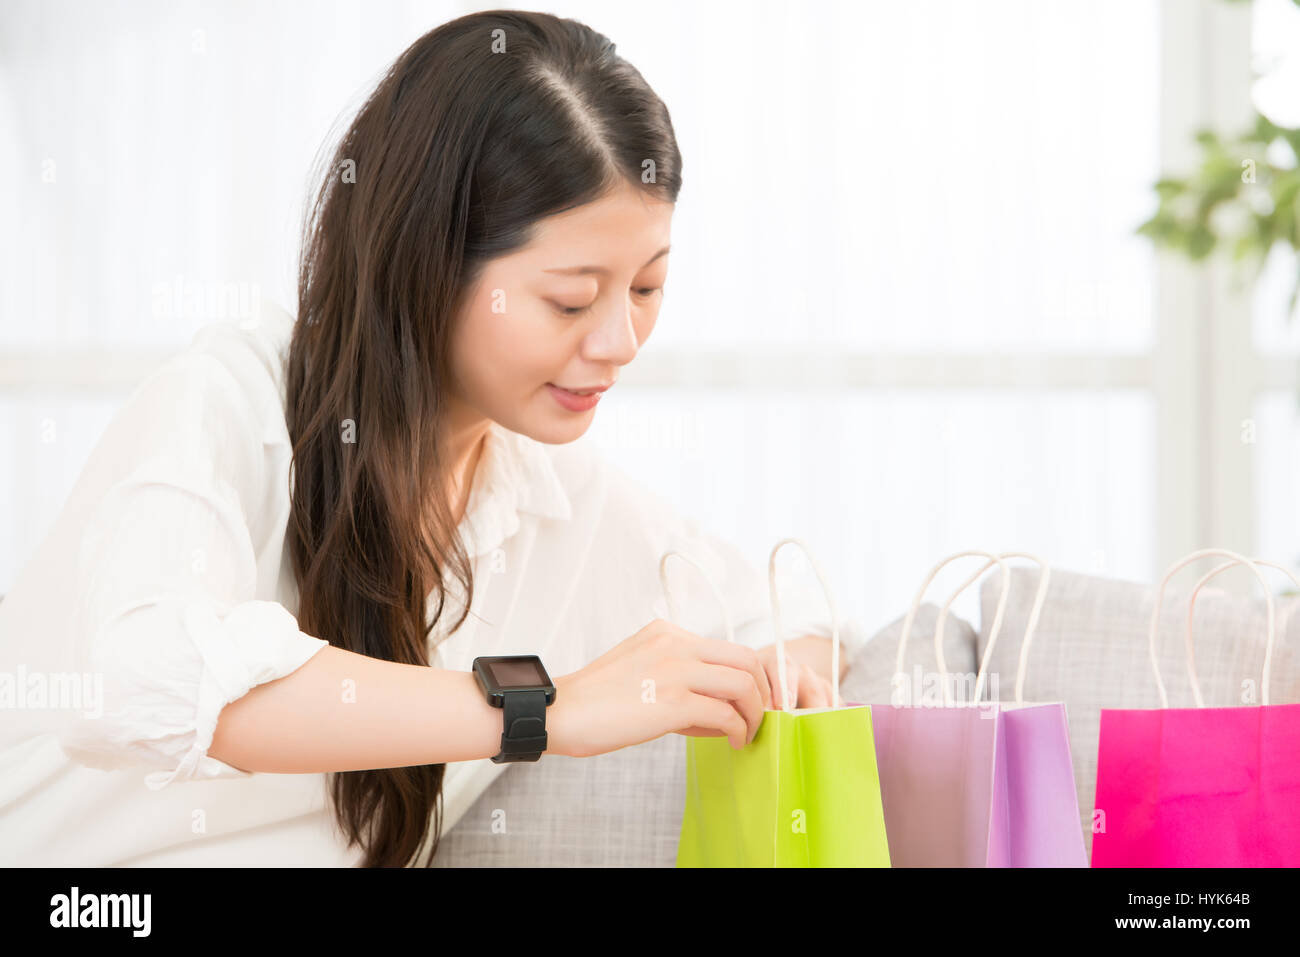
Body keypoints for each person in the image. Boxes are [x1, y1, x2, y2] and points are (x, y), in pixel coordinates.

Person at [0, 9, 867, 867]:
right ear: (429, 264)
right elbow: (143, 677)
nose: (621, 342)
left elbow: (792, 616)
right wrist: (545, 710)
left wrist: (785, 670)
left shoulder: (557, 495)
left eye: (646, 287)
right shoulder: (229, 403)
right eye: (570, 299)